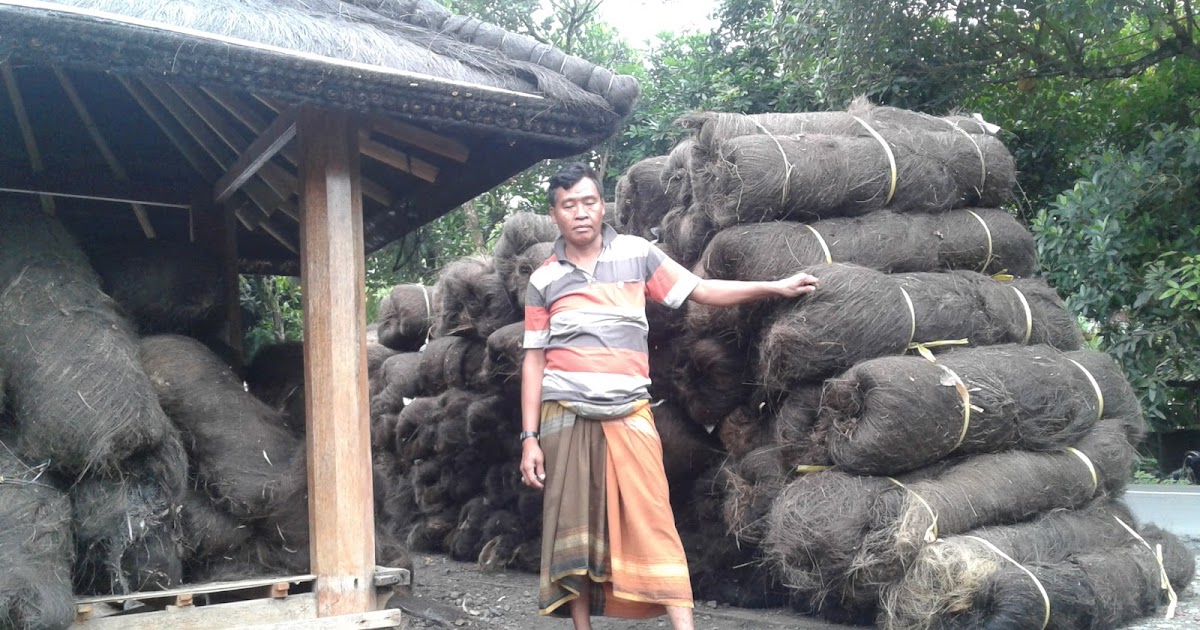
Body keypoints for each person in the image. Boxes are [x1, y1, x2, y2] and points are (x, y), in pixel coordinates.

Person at [519, 163, 819, 630]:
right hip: (565, 412)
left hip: (630, 409)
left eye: (589, 202)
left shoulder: (638, 254)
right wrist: (529, 438)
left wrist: (772, 287)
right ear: (555, 215)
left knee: (652, 515)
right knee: (572, 527)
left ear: (602, 206)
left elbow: (699, 290)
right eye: (568, 205)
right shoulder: (543, 281)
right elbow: (534, 360)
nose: (581, 213)